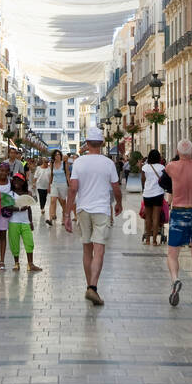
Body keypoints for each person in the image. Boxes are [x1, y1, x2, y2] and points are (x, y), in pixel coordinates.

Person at [64, 128, 122, 306]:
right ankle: (93, 287)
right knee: (99, 250)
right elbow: (116, 187)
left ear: (86, 144)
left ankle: (89, 286)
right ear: (102, 144)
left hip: (83, 209)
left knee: (86, 249)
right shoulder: (108, 163)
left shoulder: (79, 163)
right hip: (101, 210)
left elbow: (73, 189)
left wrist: (67, 214)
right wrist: (119, 203)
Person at [164, 140, 192, 305]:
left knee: (173, 253)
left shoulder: (172, 166)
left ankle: (175, 279)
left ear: (177, 151)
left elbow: (165, 180)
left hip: (179, 212)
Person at [6, 173, 43, 272]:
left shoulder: (27, 194)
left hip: (25, 222)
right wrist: (19, 209)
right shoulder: (10, 194)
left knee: (29, 242)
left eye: (19, 180)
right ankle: (16, 263)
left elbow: (29, 209)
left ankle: (30, 264)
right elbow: (7, 207)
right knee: (14, 243)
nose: (17, 182)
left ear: (23, 182)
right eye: (15, 180)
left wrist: (30, 221)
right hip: (13, 221)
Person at [140, 148, 167, 247]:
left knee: (148, 218)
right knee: (156, 218)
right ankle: (155, 241)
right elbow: (164, 180)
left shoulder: (145, 167)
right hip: (158, 194)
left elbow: (143, 180)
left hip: (147, 194)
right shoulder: (162, 167)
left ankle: (147, 239)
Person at [46, 150, 67, 226]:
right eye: (55, 155)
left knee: (63, 202)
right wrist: (49, 185)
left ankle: (64, 218)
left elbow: (67, 174)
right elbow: (51, 175)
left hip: (63, 184)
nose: (57, 156)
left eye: (58, 155)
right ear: (53, 157)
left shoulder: (64, 163)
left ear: (61, 156)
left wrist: (70, 185)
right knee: (53, 200)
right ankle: (50, 219)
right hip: (54, 184)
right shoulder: (52, 164)